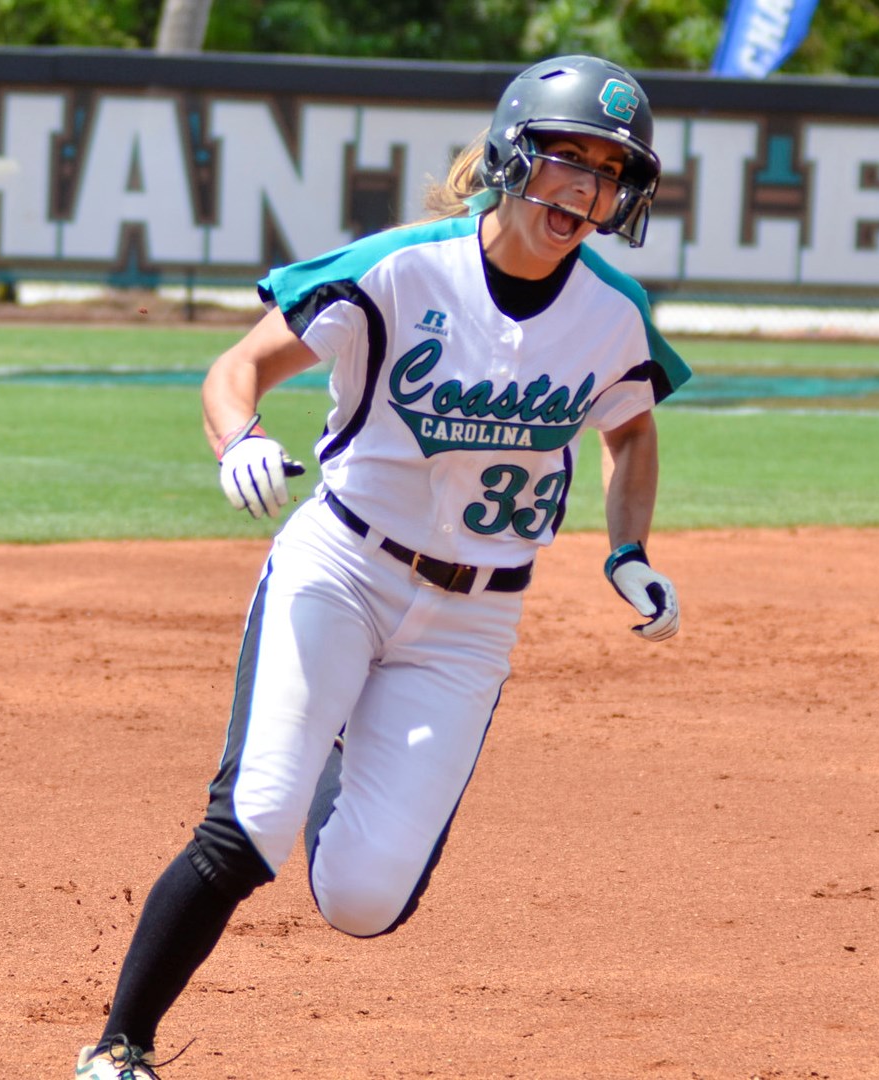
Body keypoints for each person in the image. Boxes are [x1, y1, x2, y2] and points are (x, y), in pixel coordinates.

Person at [75, 54, 690, 1080]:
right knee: (252, 825)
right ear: (509, 156)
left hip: (473, 620)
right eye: (563, 157)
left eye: (607, 168)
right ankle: (117, 1049)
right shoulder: (401, 267)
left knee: (365, 901)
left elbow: (630, 432)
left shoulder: (613, 314)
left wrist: (629, 551)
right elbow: (237, 367)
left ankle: (331, 758)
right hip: (345, 570)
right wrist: (239, 440)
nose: (583, 187)